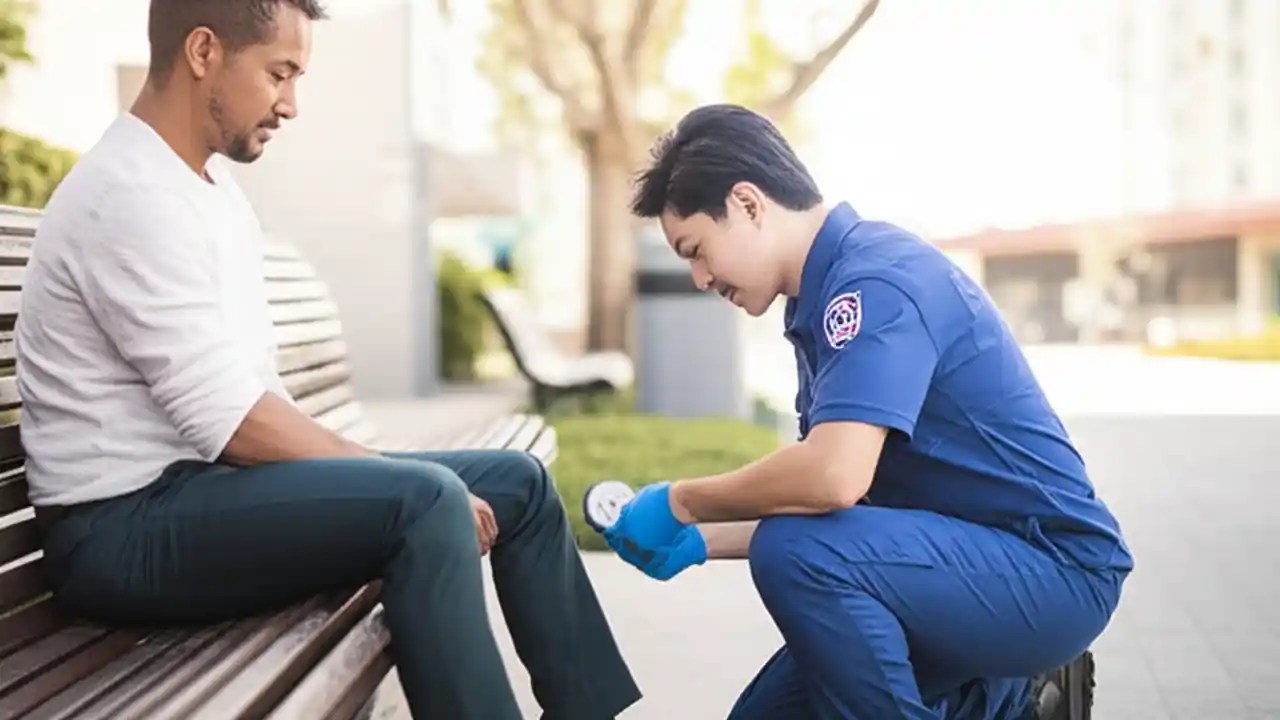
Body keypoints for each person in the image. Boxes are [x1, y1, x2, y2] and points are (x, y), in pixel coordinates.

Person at [15, 2, 641, 718]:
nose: (291, 104)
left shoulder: (207, 193)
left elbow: (248, 395)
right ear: (202, 52)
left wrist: (376, 475)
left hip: (200, 494)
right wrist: (391, 475)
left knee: (519, 483)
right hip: (121, 531)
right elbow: (230, 422)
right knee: (427, 501)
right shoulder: (127, 195)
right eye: (279, 74)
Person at [606, 104, 1133, 719]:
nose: (699, 278)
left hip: (1051, 573)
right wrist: (698, 542)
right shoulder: (822, 297)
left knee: (792, 552)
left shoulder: (876, 283)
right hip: (961, 568)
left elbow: (831, 480)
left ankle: (1008, 693)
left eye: (697, 250)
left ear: (748, 204)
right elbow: (846, 512)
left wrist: (681, 501)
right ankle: (1007, 696)